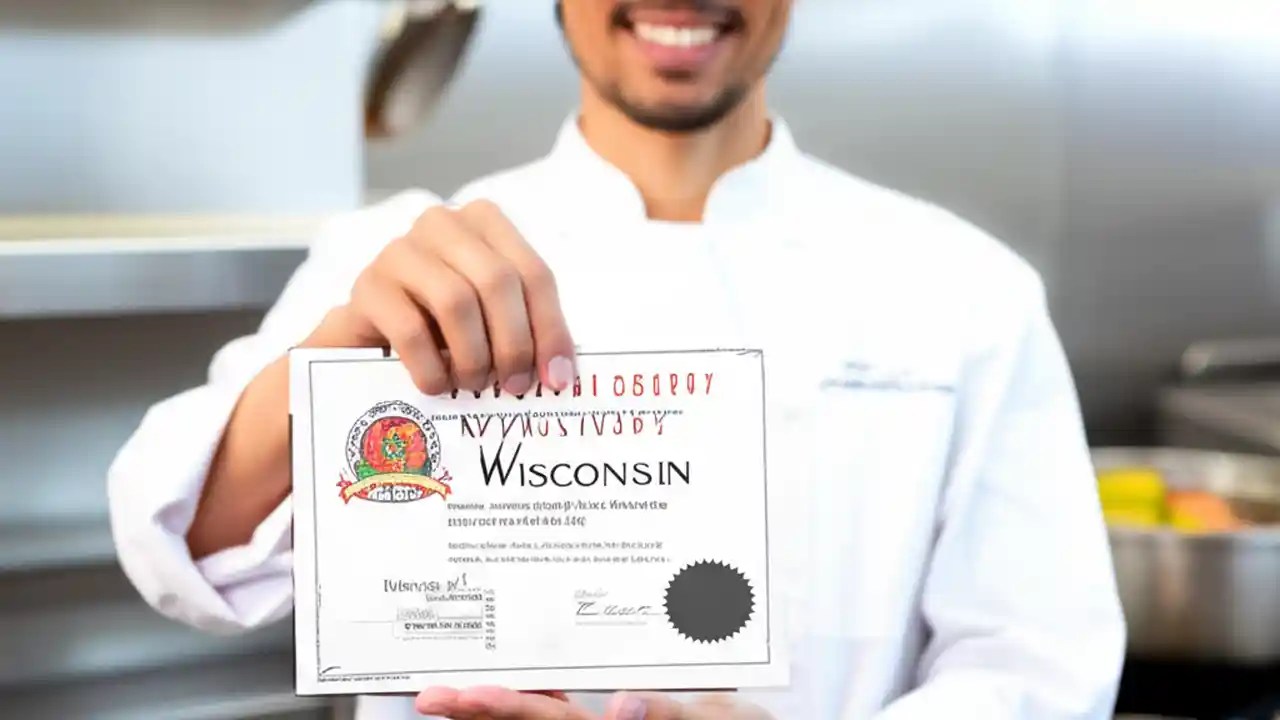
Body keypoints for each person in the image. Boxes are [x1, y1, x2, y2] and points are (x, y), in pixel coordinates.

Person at [108, 1, 1126, 718]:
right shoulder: (407, 254)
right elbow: (173, 547)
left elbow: (1039, 670)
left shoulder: (961, 287)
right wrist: (342, 351)